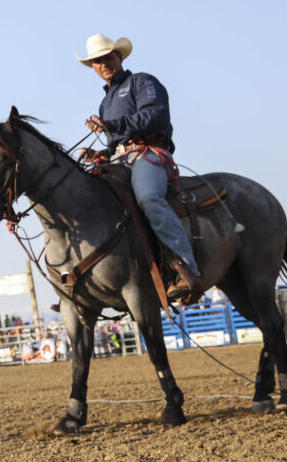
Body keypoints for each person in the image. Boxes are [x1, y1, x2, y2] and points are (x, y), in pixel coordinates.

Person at [77, 33, 200, 301]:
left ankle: (186, 268)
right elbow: (116, 142)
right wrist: (100, 152)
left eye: (107, 57)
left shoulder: (142, 82)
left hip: (148, 154)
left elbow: (154, 115)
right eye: (97, 61)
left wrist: (112, 126)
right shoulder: (105, 101)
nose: (103, 64)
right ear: (93, 67)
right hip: (120, 159)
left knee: (148, 198)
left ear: (118, 56)